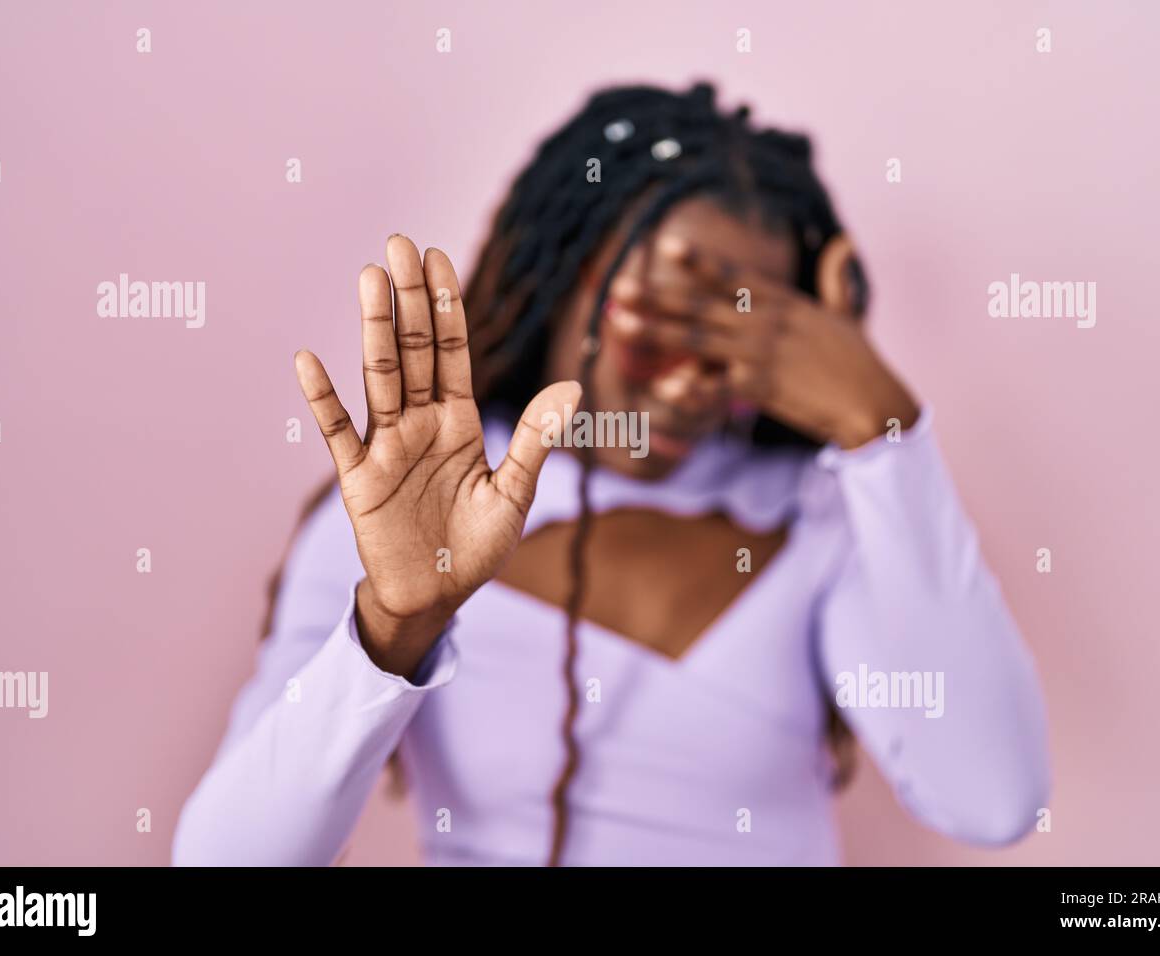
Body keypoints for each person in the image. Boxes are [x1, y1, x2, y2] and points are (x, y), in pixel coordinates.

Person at [173, 83, 1050, 866]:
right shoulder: (408, 506)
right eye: (663, 327)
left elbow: (991, 797)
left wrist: (883, 433)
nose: (683, 390)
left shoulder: (821, 520)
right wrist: (396, 626)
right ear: (573, 275)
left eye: (740, 352)